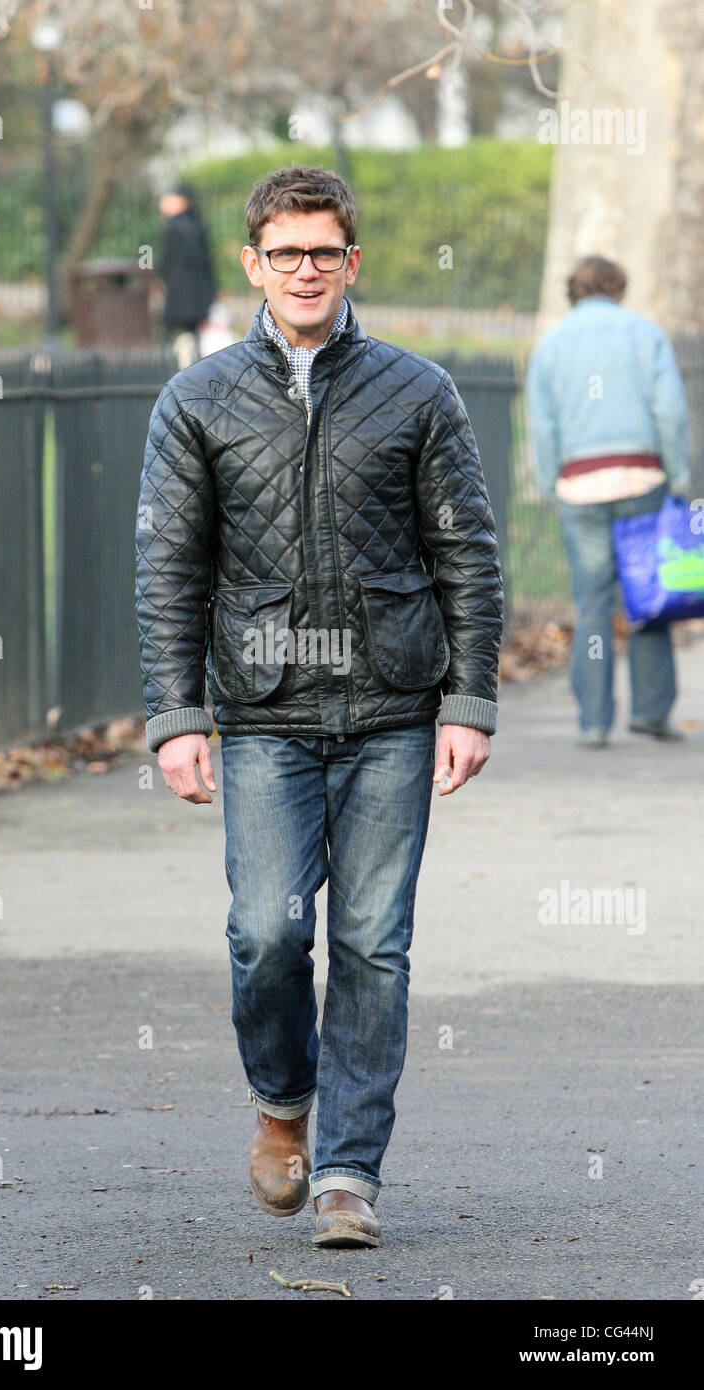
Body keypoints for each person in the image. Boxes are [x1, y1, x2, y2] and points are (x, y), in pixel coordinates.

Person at [136, 165, 504, 1249]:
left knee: (373, 946)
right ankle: (282, 1104)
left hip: (394, 707)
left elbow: (467, 553)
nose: (306, 270)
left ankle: (347, 1173)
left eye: (325, 252)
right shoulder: (196, 399)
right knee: (264, 934)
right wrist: (177, 715)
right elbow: (168, 569)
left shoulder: (418, 392)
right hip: (261, 714)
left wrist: (469, 700)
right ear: (252, 263)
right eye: (285, 253)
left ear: (355, 261)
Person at [526, 255, 692, 745]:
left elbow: (543, 423)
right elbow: (670, 411)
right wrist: (678, 475)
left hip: (580, 487)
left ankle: (594, 722)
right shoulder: (645, 335)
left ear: (572, 292)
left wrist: (549, 482)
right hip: (642, 479)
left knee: (593, 605)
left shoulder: (551, 345)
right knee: (649, 600)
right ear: (618, 288)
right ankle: (651, 712)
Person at [157, 182, 217, 368]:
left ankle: (165, 369)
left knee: (168, 338)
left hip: (180, 294)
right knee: (195, 338)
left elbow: (168, 262)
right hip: (196, 293)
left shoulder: (176, 227)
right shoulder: (196, 224)